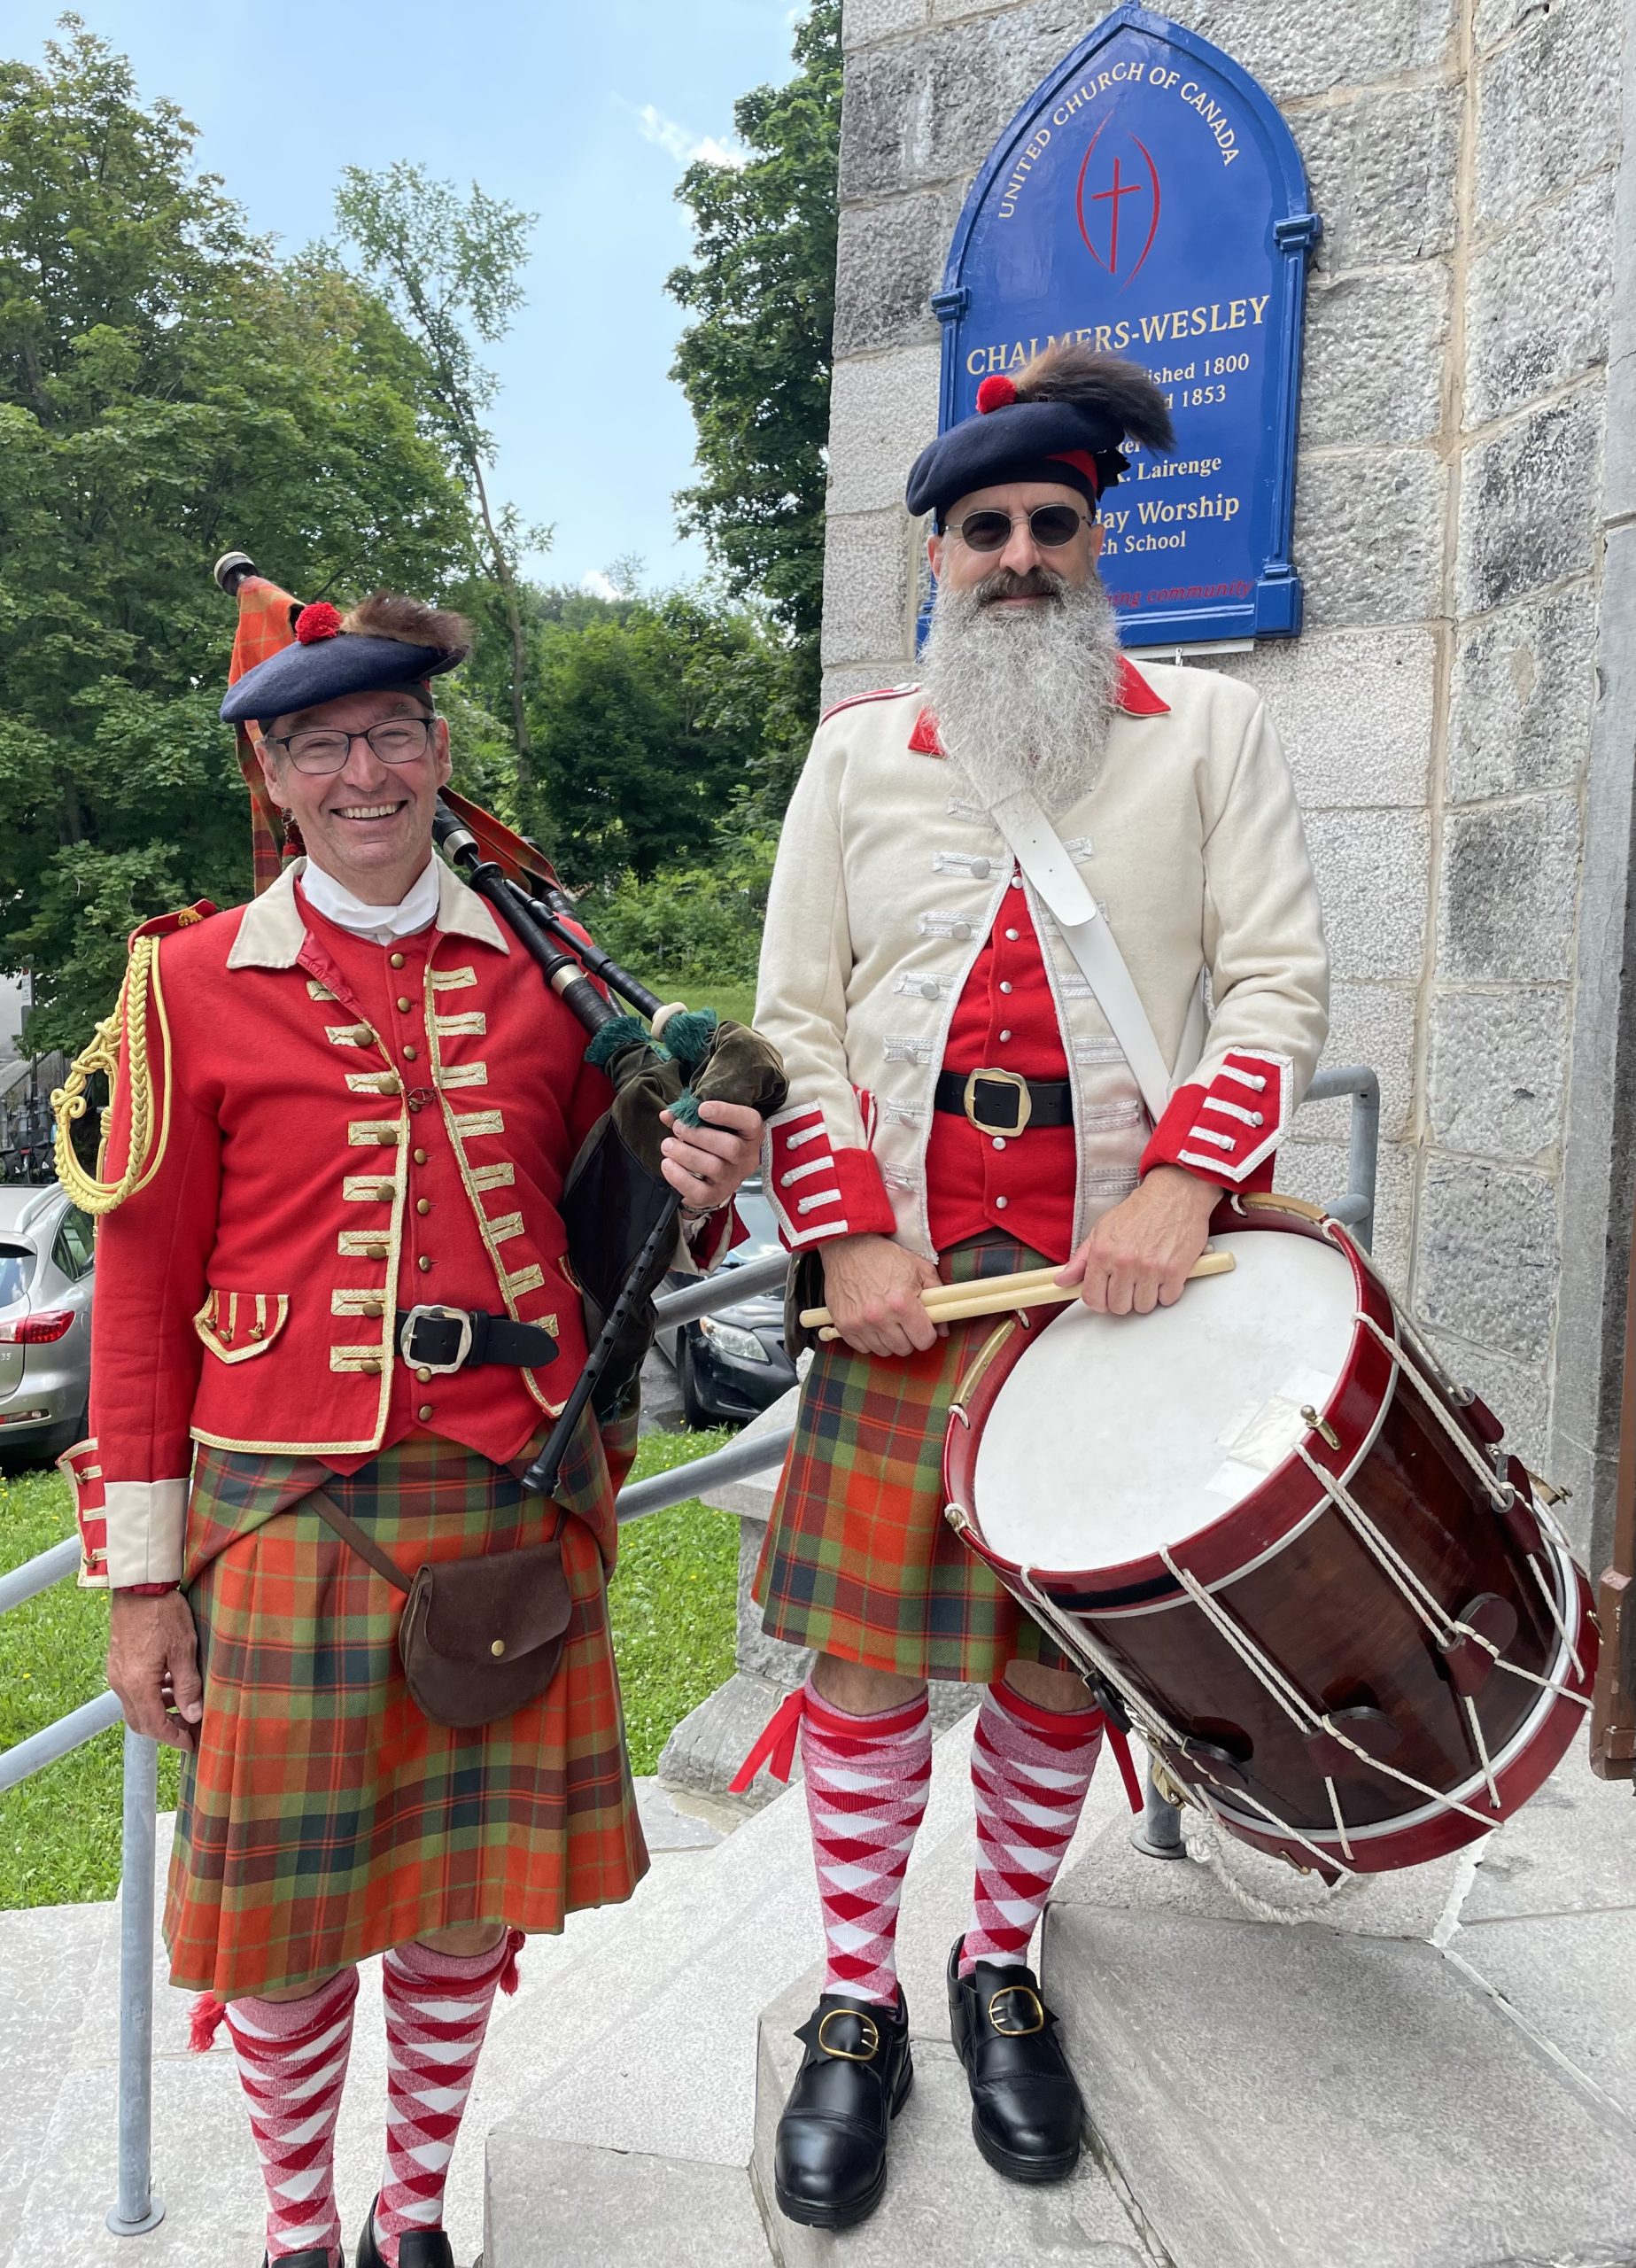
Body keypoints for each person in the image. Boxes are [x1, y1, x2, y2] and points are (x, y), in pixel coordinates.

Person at [63, 594, 764, 2268]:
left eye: (392, 737)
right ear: (273, 775)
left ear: (441, 756)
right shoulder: (183, 986)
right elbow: (143, 1318)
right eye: (321, 744)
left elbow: (630, 1219)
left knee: (458, 1907)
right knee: (291, 1932)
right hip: (279, 1512)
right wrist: (139, 1587)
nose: (364, 771)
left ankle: (412, 2214)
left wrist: (708, 1185)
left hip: (505, 1489)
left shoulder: (553, 965)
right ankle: (302, 2231)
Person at [746, 345, 1330, 2229]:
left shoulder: (1208, 733)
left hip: (1110, 1287)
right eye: (980, 529)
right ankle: (856, 1996)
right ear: (933, 553)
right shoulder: (855, 755)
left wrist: (1183, 1181)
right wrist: (844, 1227)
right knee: (857, 1666)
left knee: (1051, 1662)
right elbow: (796, 1022)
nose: (1013, 556)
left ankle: (997, 1958)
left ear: (1098, 542)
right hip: (908, 1279)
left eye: (1047, 526)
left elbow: (1275, 987)